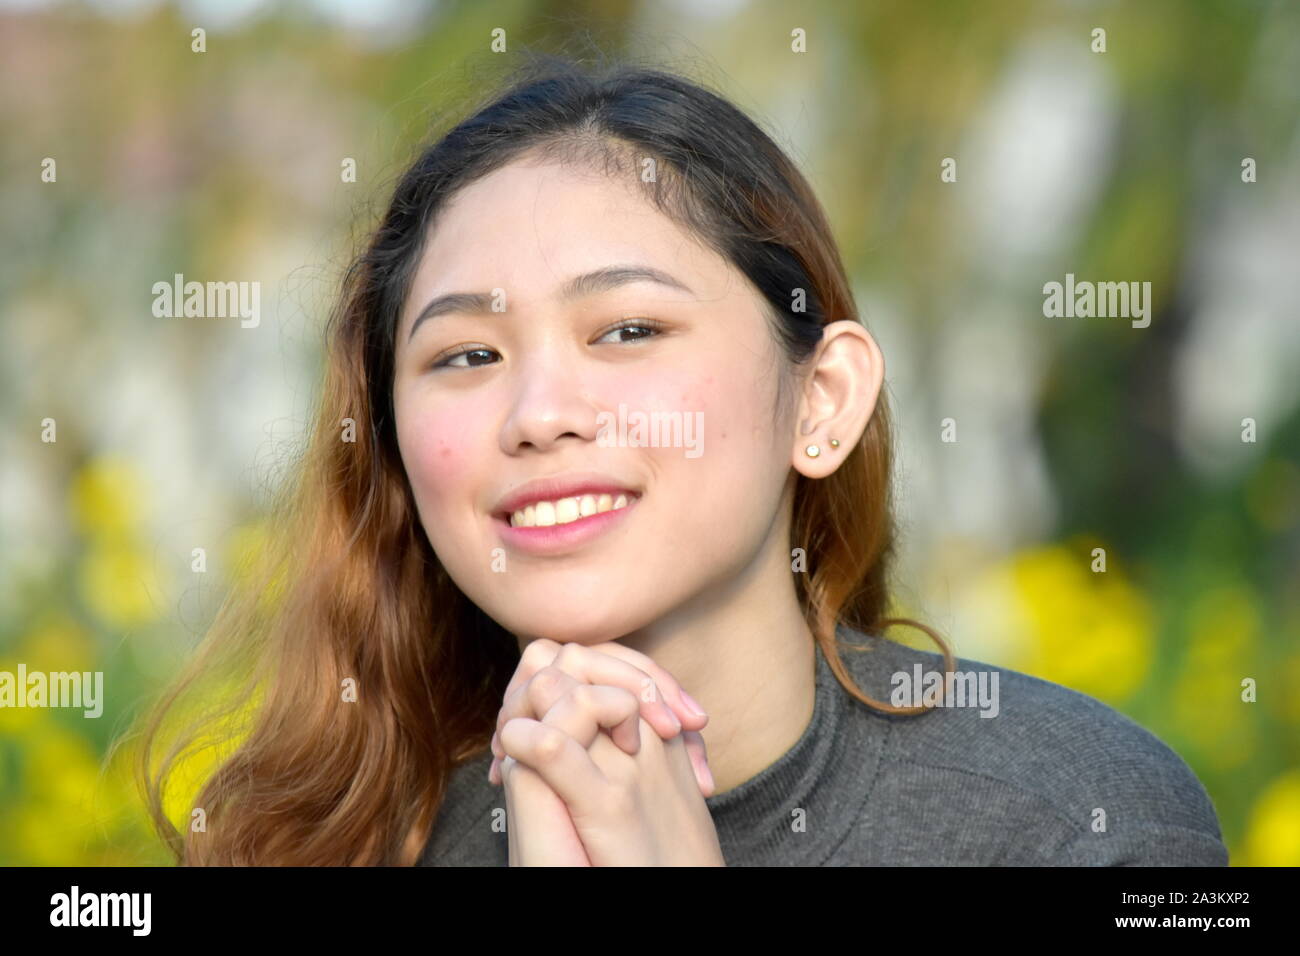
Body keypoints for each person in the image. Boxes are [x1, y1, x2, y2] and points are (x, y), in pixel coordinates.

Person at [135, 54, 1229, 866]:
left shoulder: (1086, 820)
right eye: (466, 353)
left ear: (823, 398)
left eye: (626, 330)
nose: (539, 411)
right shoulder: (325, 841)